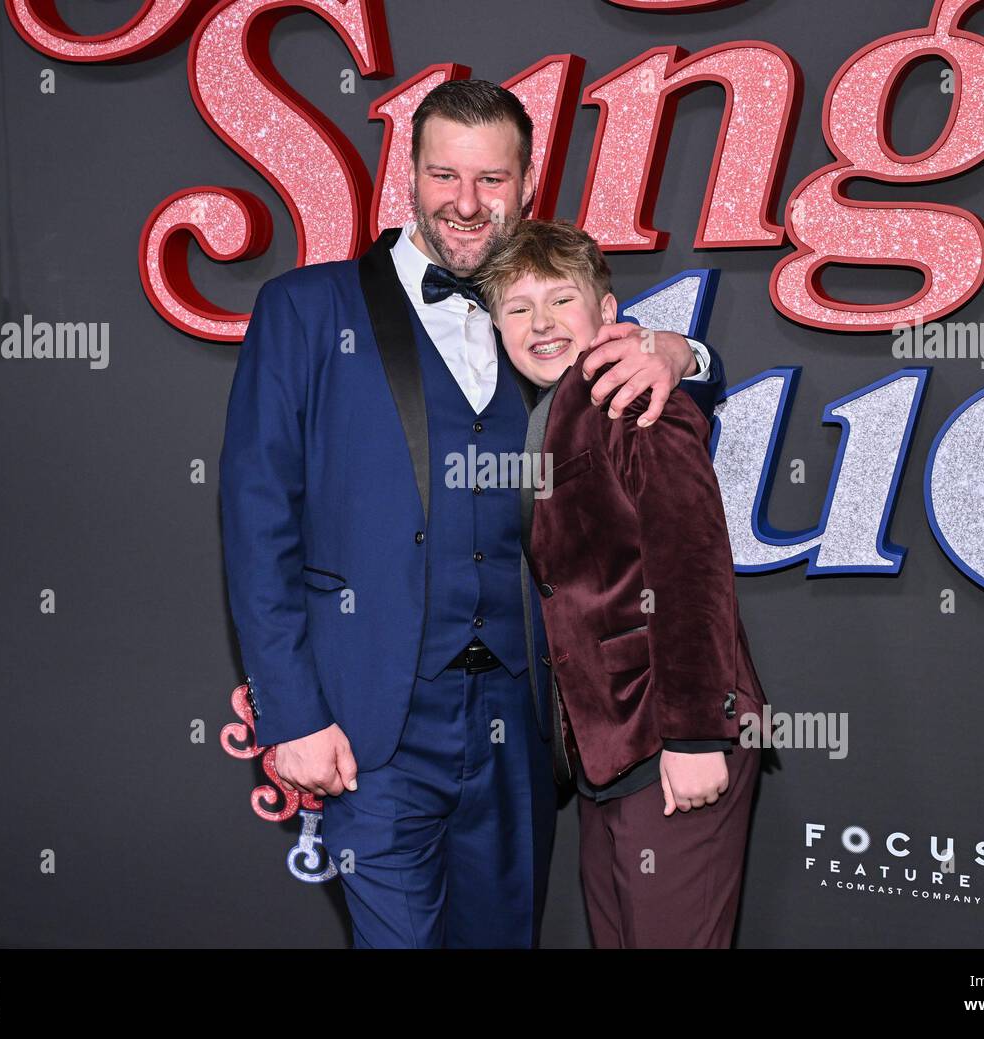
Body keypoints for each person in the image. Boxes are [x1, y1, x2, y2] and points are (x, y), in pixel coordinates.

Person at [218, 79, 722, 948]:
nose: (466, 201)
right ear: (407, 173)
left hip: (522, 725)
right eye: (444, 173)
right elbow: (256, 522)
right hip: (371, 726)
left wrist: (683, 349)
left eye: (492, 179)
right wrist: (289, 714)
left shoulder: (535, 311)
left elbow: (658, 377)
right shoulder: (305, 309)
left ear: (525, 184)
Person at [476, 218, 768, 948]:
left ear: (608, 314)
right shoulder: (545, 412)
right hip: (608, 747)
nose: (540, 323)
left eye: (560, 300)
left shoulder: (634, 395)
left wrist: (698, 733)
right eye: (517, 308)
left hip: (671, 734)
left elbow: (693, 563)